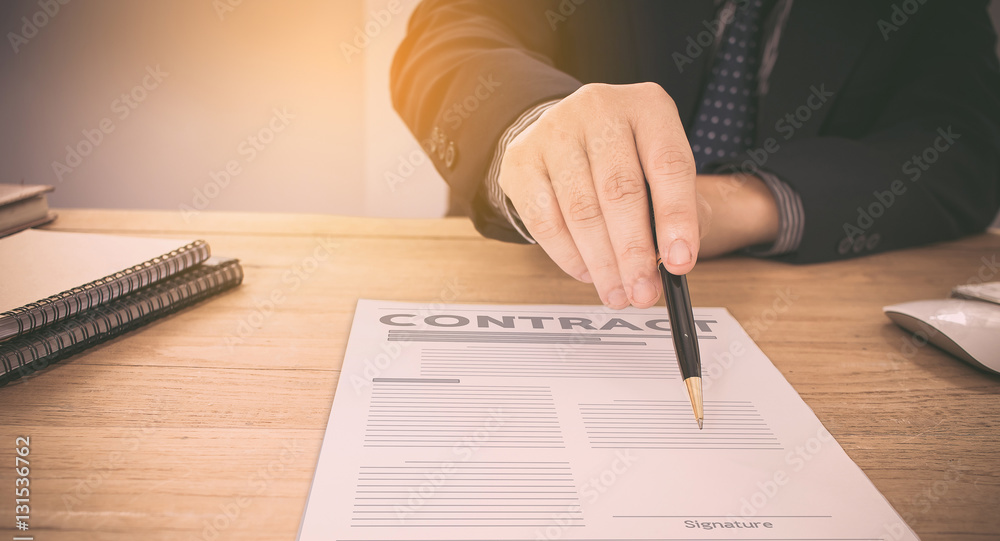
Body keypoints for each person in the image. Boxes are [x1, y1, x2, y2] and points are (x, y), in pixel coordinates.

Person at [390, 0, 1000, 309]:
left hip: (808, 299)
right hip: (531, 277)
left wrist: (745, 202)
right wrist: (536, 122)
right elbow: (450, 35)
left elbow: (964, 141)